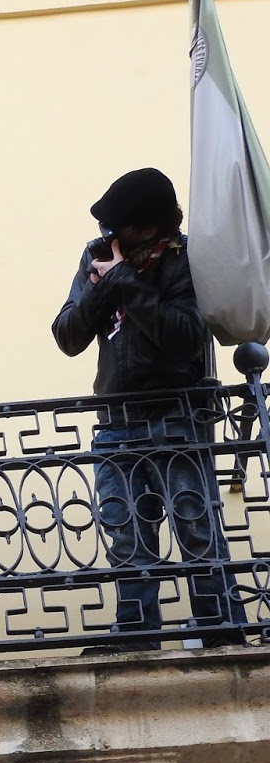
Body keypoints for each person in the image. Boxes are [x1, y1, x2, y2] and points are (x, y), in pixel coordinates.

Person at [51, 167, 245, 649]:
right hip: (116, 421)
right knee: (125, 534)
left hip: (178, 414)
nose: (112, 236)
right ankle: (137, 633)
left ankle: (221, 628)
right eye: (109, 228)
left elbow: (184, 337)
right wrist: (104, 286)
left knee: (196, 525)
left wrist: (126, 285)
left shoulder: (187, 260)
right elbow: (67, 335)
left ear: (153, 226)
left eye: (124, 227)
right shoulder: (96, 259)